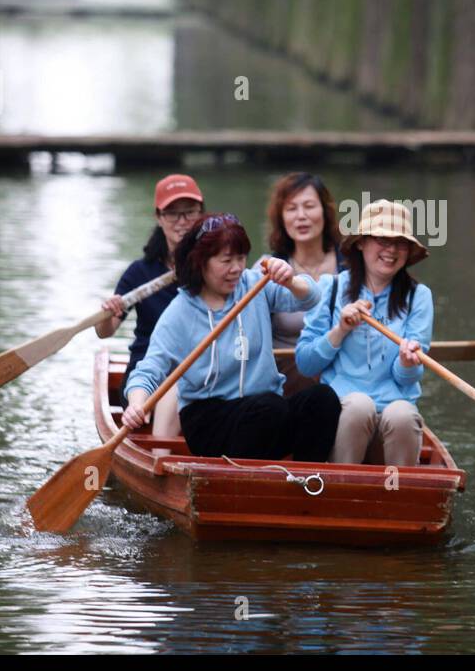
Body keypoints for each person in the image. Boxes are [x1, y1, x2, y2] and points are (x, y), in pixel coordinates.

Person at [122, 213, 340, 462]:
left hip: (265, 410)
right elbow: (148, 370)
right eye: (226, 260)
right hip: (209, 418)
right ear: (200, 262)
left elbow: (311, 297)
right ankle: (240, 482)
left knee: (322, 399)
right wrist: (136, 404)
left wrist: (291, 280)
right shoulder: (180, 311)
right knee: (269, 409)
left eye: (241, 258)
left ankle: (306, 483)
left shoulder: (254, 284)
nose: (236, 268)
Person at [295, 199, 433, 468]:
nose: (391, 250)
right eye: (382, 239)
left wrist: (407, 362)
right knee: (359, 406)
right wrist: (340, 330)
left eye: (400, 242)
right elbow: (305, 363)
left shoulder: (419, 296)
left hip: (394, 413)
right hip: (345, 414)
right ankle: (341, 488)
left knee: (402, 414)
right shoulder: (330, 288)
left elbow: (408, 379)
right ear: (361, 243)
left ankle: (402, 496)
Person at [96, 174, 204, 446]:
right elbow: (106, 331)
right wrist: (107, 312)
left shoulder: (216, 266)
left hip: (202, 370)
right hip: (148, 371)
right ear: (159, 217)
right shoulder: (139, 272)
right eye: (172, 214)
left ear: (200, 214)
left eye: (189, 213)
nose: (181, 222)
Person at [264, 172, 345, 393]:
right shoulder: (268, 269)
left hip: (345, 378)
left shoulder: (351, 266)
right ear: (281, 218)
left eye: (309, 206)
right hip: (287, 381)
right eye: (291, 209)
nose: (301, 216)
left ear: (325, 212)